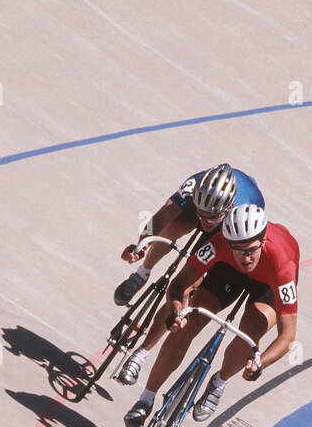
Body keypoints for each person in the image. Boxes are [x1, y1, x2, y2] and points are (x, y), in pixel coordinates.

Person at [123, 203, 299, 427]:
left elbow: (287, 336)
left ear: (263, 242)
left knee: (248, 336)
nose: (246, 257)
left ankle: (219, 382)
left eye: (251, 250)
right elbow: (179, 283)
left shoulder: (283, 265)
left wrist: (260, 363)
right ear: (228, 241)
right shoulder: (218, 244)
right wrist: (176, 308)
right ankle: (146, 399)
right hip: (229, 272)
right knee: (188, 323)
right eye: (239, 249)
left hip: (268, 283)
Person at [112, 165, 265, 385]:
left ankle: (141, 353)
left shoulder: (240, 215)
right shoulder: (194, 187)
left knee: (185, 290)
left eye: (209, 218)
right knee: (173, 227)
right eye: (201, 215)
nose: (203, 222)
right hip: (205, 208)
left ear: (228, 207)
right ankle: (142, 273)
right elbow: (160, 218)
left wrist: (190, 280)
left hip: (224, 233)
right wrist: (140, 247)